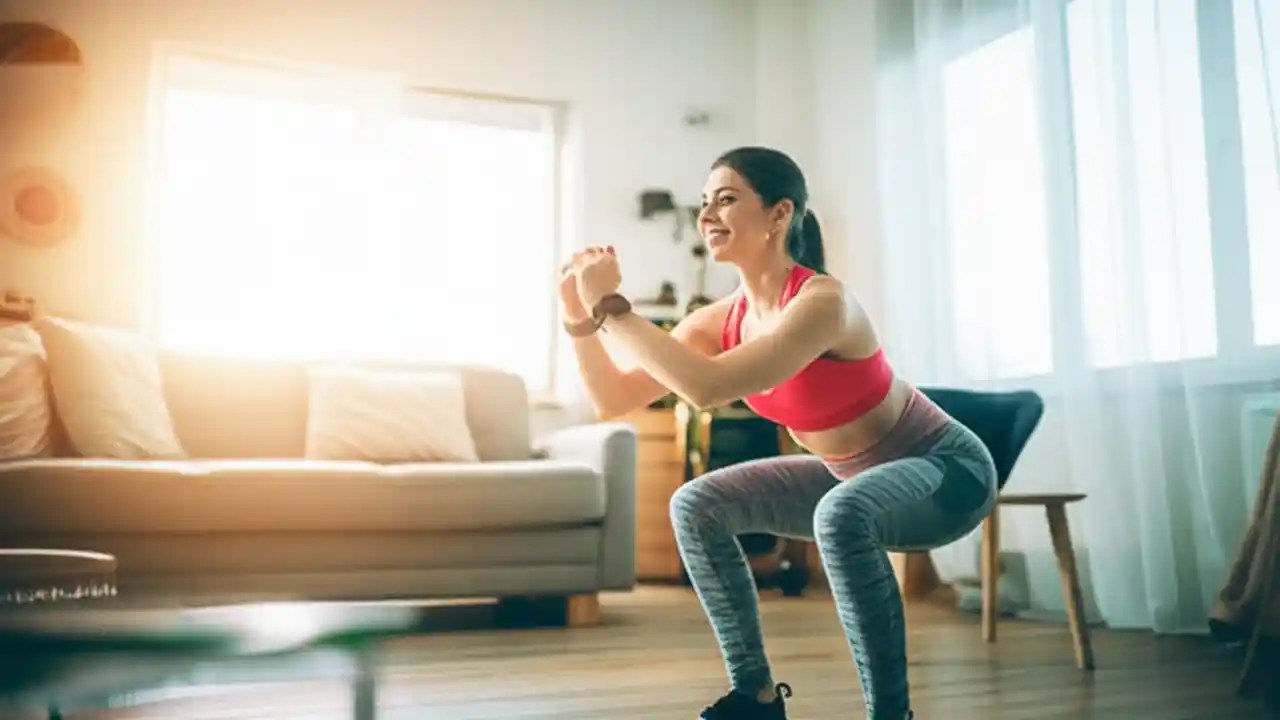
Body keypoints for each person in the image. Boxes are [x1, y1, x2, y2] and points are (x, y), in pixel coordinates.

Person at [559, 146, 997, 720]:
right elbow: (613, 399)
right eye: (704, 203)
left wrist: (611, 307)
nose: (708, 215)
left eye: (727, 199)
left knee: (839, 514)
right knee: (697, 504)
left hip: (947, 474)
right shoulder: (722, 320)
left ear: (779, 214)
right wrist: (577, 315)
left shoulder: (822, 301)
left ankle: (891, 714)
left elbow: (706, 388)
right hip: (848, 478)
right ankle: (756, 698)